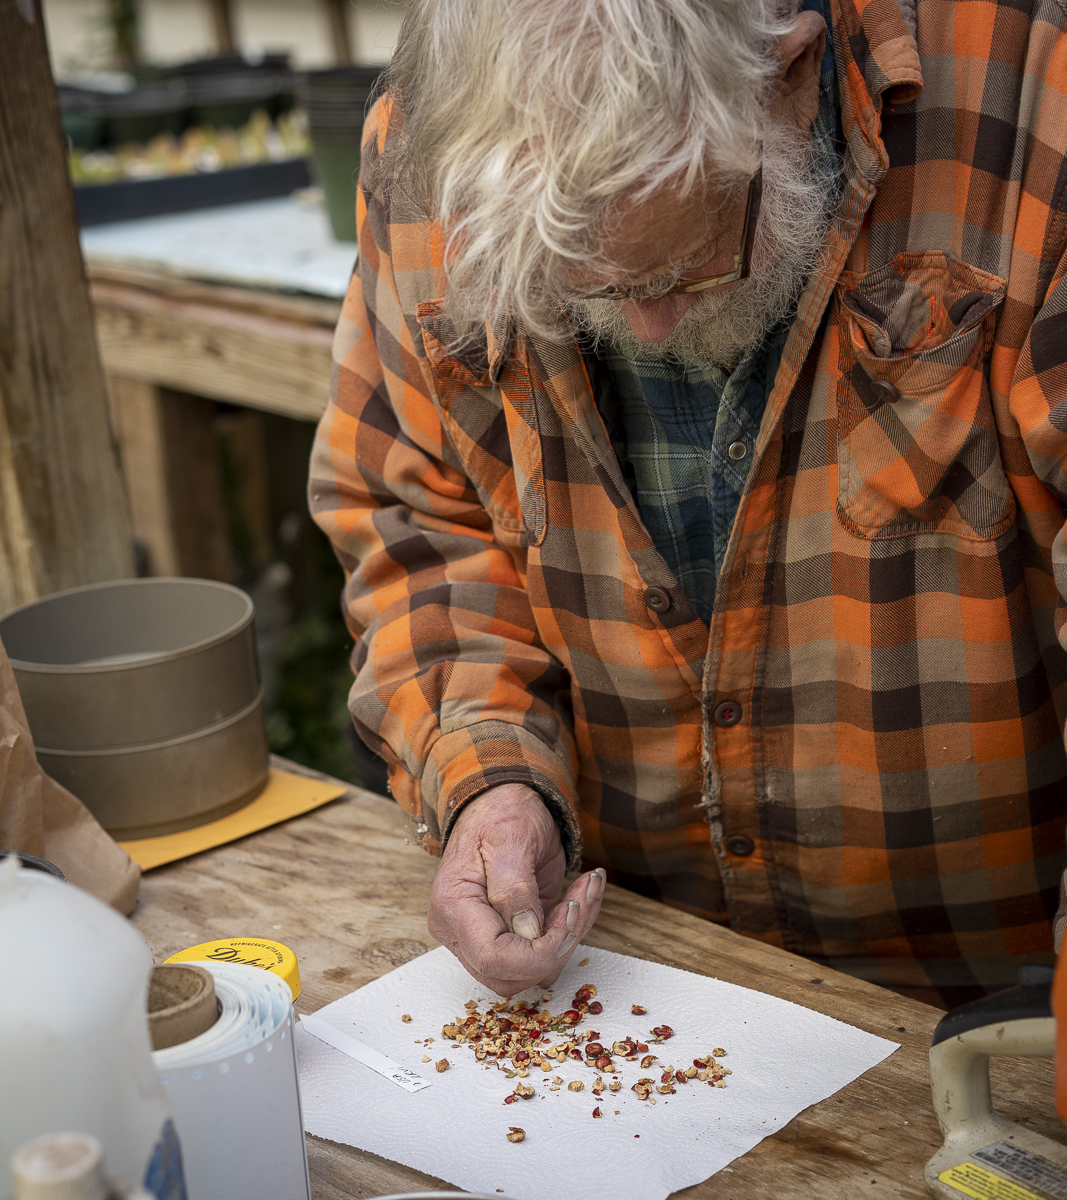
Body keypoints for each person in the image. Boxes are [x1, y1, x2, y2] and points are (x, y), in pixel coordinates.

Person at [309, 0, 1067, 1009]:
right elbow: (415, 514)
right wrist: (493, 778)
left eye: (679, 267)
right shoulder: (441, 133)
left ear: (787, 75)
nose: (645, 324)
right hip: (627, 973)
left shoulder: (1038, 92)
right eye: (574, 289)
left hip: (984, 1001)